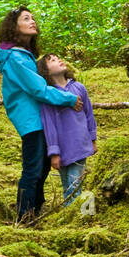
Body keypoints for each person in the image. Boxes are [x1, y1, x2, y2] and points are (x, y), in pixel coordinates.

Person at [0, 7, 82, 223]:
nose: (32, 21)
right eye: (26, 19)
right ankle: (24, 217)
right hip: (31, 121)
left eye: (33, 18)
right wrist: (69, 99)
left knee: (41, 168)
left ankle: (35, 211)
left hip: (37, 118)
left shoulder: (22, 55)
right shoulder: (15, 58)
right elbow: (38, 89)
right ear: (14, 27)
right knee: (33, 169)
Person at [36, 53, 97, 204]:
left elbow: (89, 114)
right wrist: (54, 152)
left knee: (75, 183)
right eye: (53, 61)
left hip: (80, 145)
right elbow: (49, 126)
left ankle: (76, 214)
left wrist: (93, 139)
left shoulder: (78, 88)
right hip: (62, 148)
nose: (59, 60)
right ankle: (72, 213)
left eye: (58, 58)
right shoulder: (48, 96)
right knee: (67, 184)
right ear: (46, 71)